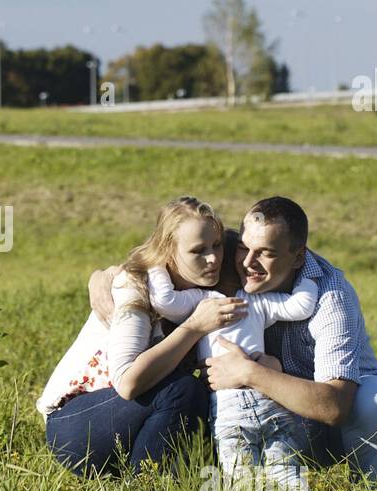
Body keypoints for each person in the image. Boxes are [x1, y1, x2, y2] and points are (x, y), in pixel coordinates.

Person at [90, 196, 377, 483]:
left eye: (265, 253)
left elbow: (334, 407)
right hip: (246, 411)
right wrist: (104, 279)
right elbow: (166, 251)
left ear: (297, 258)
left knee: (373, 400)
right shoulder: (226, 260)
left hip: (326, 422)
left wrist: (252, 373)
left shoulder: (328, 294)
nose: (248, 263)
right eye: (244, 247)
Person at [37, 196, 247, 476]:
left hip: (129, 425)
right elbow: (127, 383)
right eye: (198, 251)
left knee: (203, 391)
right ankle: (146, 489)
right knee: (183, 388)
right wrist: (194, 327)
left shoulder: (201, 291)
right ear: (169, 253)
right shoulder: (135, 287)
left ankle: (183, 480)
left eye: (217, 245)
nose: (213, 258)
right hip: (76, 427)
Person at [147, 254, 318, 491]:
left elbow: (163, 300)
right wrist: (307, 276)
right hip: (266, 394)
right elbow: (302, 306)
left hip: (228, 404)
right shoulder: (257, 300)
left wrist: (158, 264)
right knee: (284, 469)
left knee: (241, 479)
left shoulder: (202, 301)